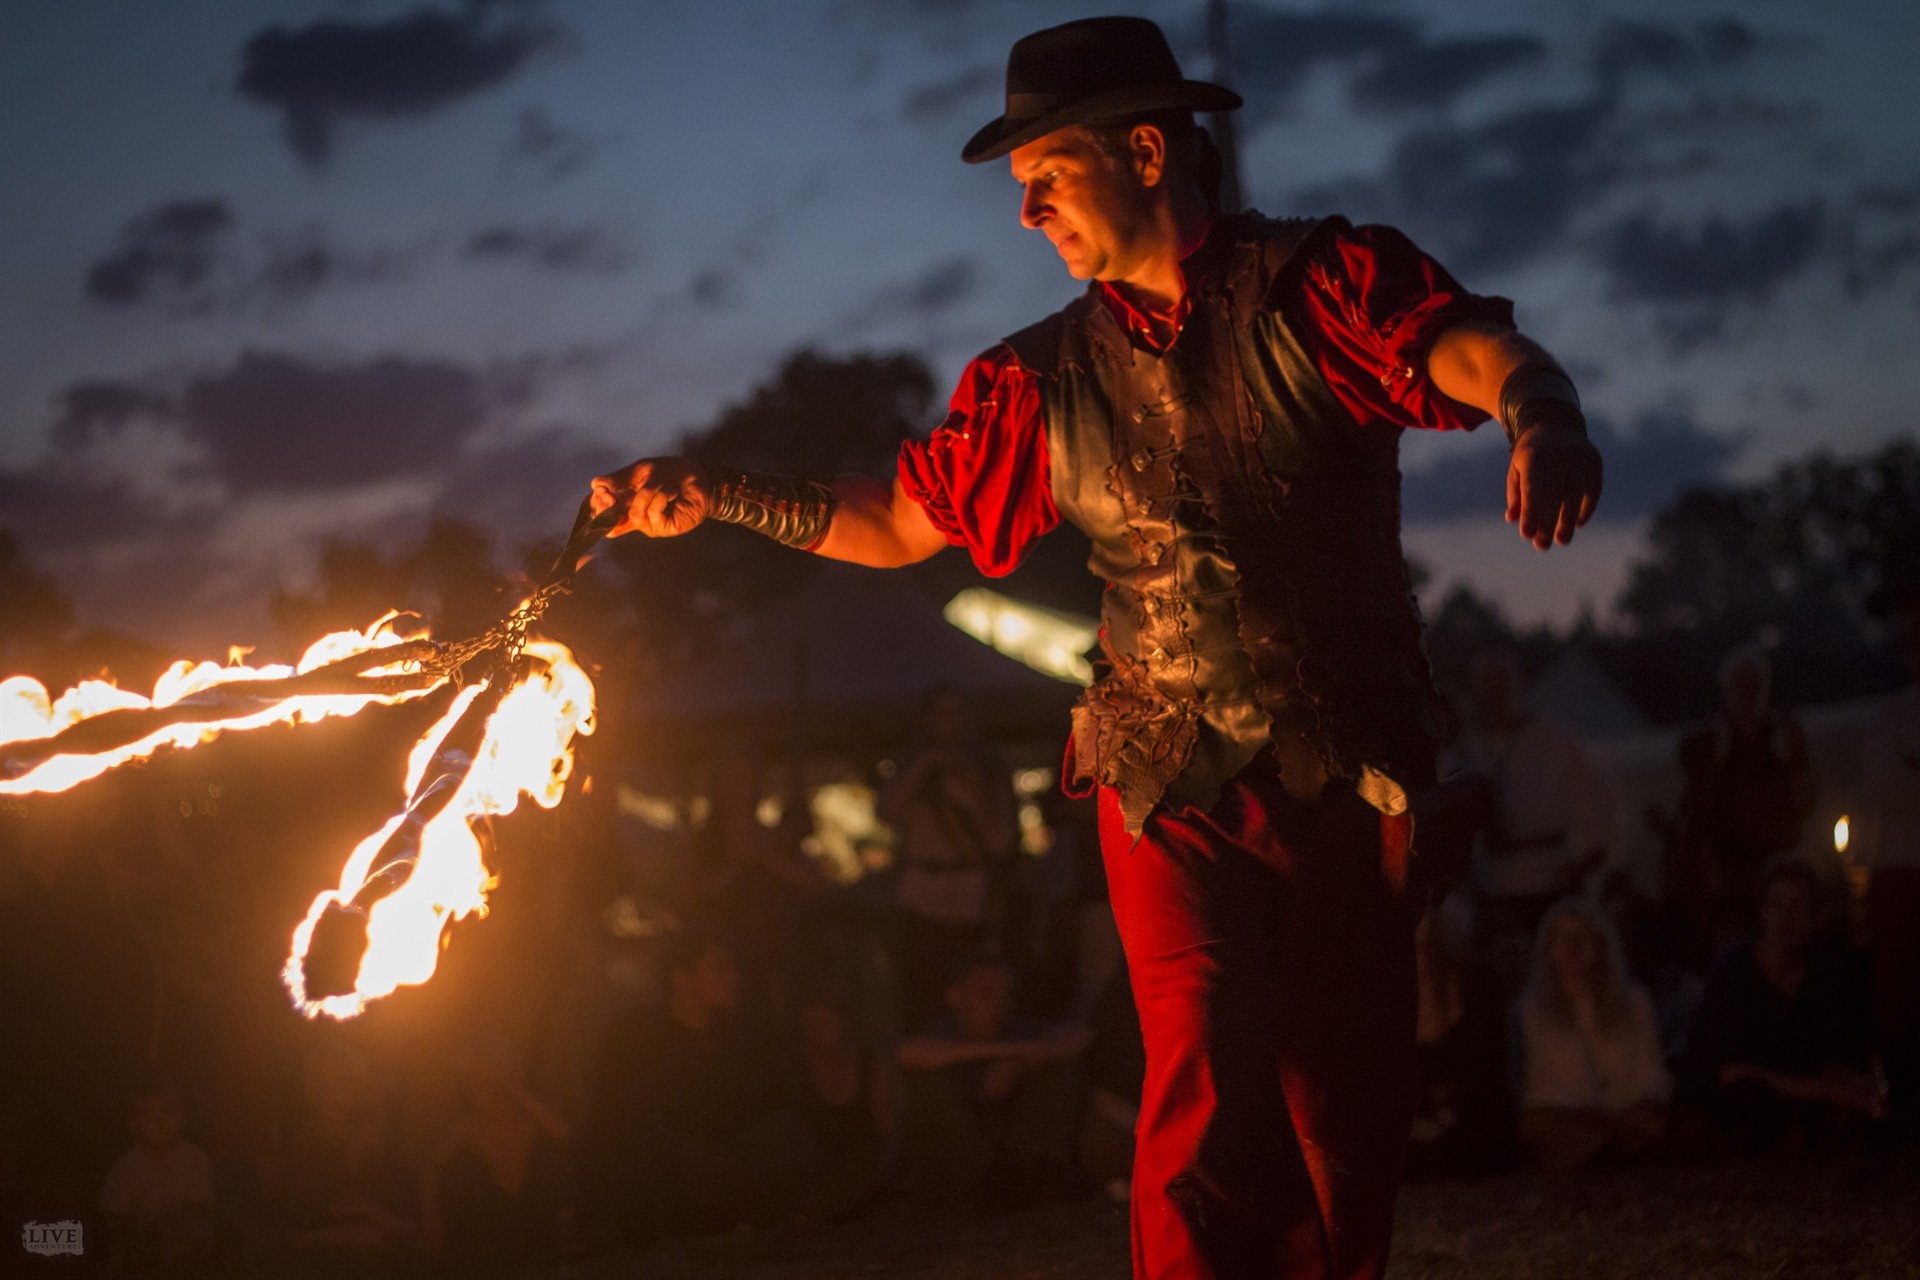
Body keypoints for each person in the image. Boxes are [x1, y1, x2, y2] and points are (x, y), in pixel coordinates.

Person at [586, 17, 1603, 1278]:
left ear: (1144, 150)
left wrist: (1538, 413)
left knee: (1343, 1113)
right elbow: (904, 519)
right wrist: (721, 492)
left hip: (1347, 776)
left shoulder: (1318, 288)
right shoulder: (1039, 381)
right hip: (1163, 780)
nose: (1026, 217)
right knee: (1203, 1065)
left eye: (1045, 179)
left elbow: (1472, 346)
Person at [1680, 859, 1883, 1154]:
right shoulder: (1733, 969)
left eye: (1798, 905)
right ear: (1762, 912)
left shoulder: (1826, 972)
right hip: (1741, 1099)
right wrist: (1819, 1089)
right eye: (1776, 905)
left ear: (1814, 914)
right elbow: (1730, 1071)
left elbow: (1838, 1050)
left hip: (1803, 1097)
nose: (1786, 917)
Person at [895, 954, 1090, 1206]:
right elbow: (907, 1052)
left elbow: (1080, 1035)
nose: (1000, 1003)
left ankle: (1043, 1169)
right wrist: (1004, 1052)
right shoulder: (944, 1034)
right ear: (956, 998)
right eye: (986, 993)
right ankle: (981, 1176)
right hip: (960, 1159)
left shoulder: (1015, 1029)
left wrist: (1019, 1062)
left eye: (1006, 993)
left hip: (1010, 1143)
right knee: (931, 1080)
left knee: (1061, 1066)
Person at [1454, 652, 1616, 953]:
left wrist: (1583, 863)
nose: (1493, 694)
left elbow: (1595, 801)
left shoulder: (1553, 739)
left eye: (1500, 685)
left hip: (1550, 882)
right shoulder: (1466, 747)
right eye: (1486, 686)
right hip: (1492, 885)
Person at [878, 686, 1019, 1025]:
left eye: (958, 711)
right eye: (942, 712)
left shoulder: (989, 768)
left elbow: (1002, 841)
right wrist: (924, 764)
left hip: (971, 895)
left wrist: (973, 797)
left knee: (973, 989)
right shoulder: (912, 765)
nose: (950, 721)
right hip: (922, 895)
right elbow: (887, 812)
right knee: (921, 991)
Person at [1673, 645, 1816, 948]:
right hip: (1730, 873)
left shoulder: (1781, 739)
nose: (1747, 693)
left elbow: (1803, 801)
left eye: (1754, 685)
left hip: (1775, 865)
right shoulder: (1710, 743)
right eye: (1740, 684)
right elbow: (1699, 813)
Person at [1515, 899, 1670, 1173]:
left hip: (1627, 1113)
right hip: (1568, 1118)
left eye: (1581, 936)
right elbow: (1540, 1089)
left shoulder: (1634, 1002)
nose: (1572, 947)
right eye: (1562, 938)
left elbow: (1651, 1072)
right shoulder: (1533, 1010)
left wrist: (1639, 1107)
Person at [1857, 573, 1920, 1108]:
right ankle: (1899, 1089)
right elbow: (1881, 788)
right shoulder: (1887, 721)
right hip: (1900, 864)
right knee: (1897, 980)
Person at [98, 1078, 218, 1275]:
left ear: (183, 1116)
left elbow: (198, 1206)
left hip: (184, 1234)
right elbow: (114, 1215)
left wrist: (173, 1225)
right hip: (141, 1237)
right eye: (148, 1114)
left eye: (169, 1110)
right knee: (119, 1248)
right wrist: (145, 1229)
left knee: (200, 1233)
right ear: (133, 1126)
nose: (161, 1121)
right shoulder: (125, 1167)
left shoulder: (195, 1158)